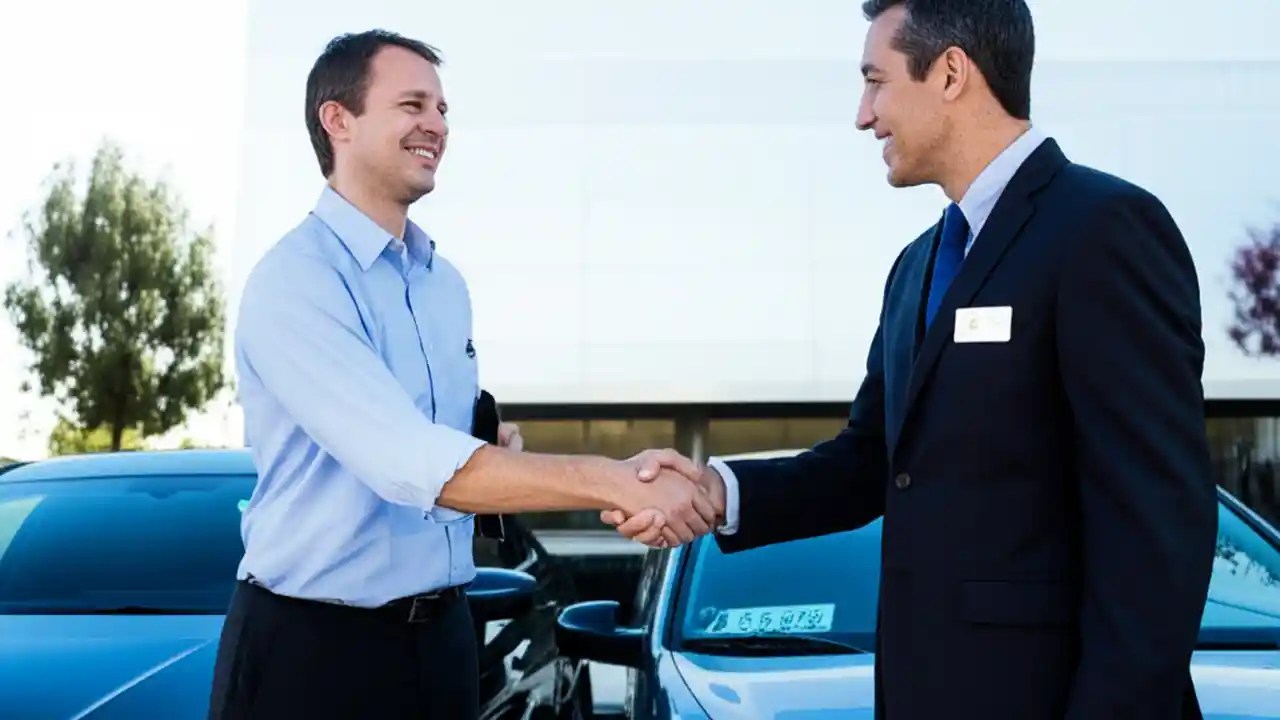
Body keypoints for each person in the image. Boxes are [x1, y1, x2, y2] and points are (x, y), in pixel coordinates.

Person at [604, 1, 1218, 718]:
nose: (864, 115)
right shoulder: (915, 267)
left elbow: (1157, 523)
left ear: (951, 72)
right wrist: (718, 493)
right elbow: (870, 461)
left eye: (876, 81)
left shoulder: (1103, 228)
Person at [208, 30, 713, 720]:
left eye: (444, 110)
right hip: (315, 650)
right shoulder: (296, 281)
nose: (437, 126)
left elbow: (437, 448)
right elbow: (407, 461)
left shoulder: (444, 285)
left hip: (443, 638)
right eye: (413, 104)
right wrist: (612, 478)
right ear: (339, 120)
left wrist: (494, 453)